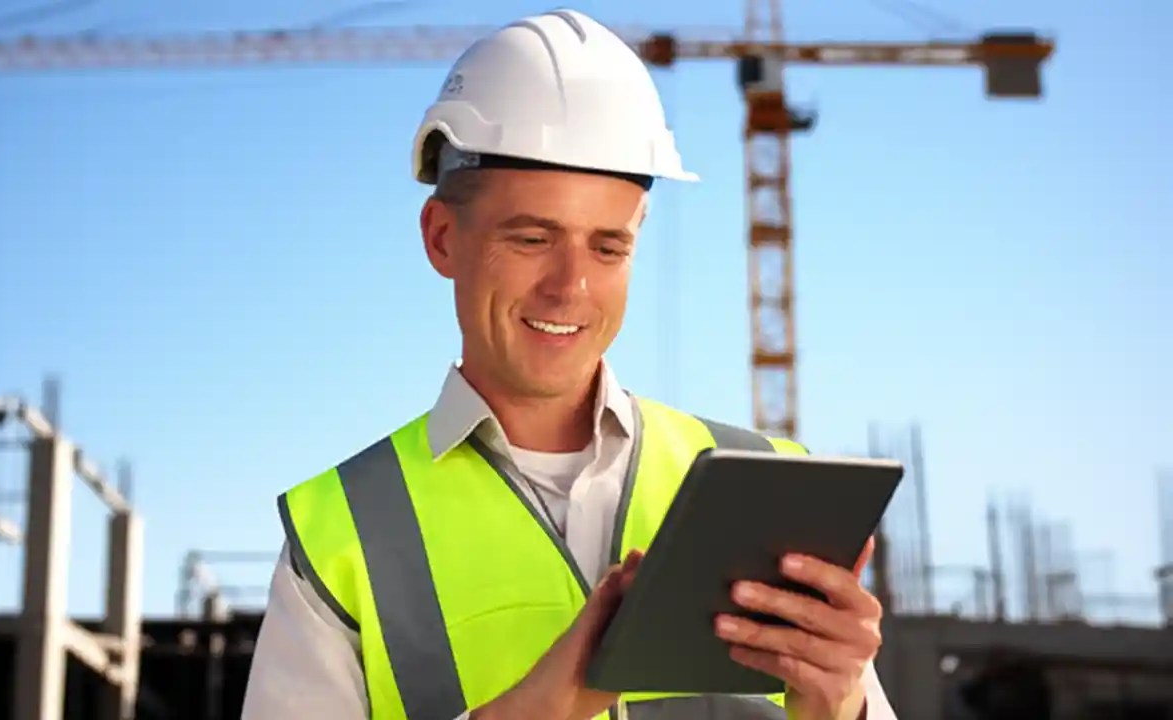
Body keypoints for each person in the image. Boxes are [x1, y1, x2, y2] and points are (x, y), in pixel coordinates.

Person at [242, 8, 899, 720]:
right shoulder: (343, 534)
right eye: (530, 239)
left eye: (608, 248)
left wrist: (844, 707)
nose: (571, 288)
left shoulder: (770, 482)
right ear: (441, 238)